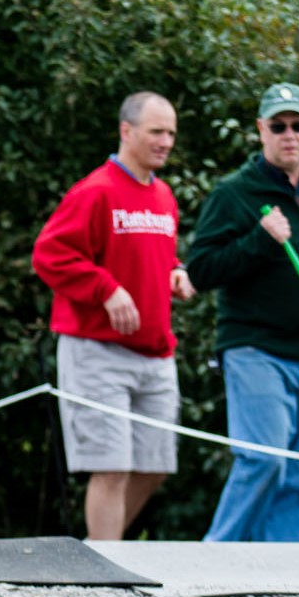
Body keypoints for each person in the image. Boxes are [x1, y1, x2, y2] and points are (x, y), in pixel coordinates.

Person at [188, 82, 299, 542]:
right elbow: (200, 270)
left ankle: (282, 576)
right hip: (255, 350)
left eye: (298, 125)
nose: (289, 134)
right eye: (278, 125)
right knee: (263, 459)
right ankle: (215, 561)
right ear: (261, 130)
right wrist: (259, 241)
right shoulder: (235, 193)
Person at [32, 92, 195, 540]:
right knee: (111, 469)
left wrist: (175, 273)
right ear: (127, 131)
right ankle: (105, 577)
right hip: (97, 352)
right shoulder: (96, 190)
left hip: (156, 354)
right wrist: (105, 289)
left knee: (155, 466)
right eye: (156, 132)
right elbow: (49, 254)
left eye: (171, 133)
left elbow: (150, 255)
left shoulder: (163, 195)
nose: (166, 141)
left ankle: (99, 551)